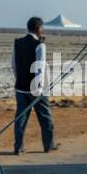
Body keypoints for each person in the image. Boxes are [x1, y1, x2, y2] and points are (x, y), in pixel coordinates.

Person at [12, 16, 57, 154]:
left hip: (20, 87)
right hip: (36, 89)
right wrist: (38, 87)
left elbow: (13, 65)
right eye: (42, 27)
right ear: (38, 28)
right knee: (45, 118)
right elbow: (40, 68)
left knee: (20, 118)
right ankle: (48, 145)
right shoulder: (40, 45)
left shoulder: (17, 43)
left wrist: (19, 80)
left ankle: (18, 147)